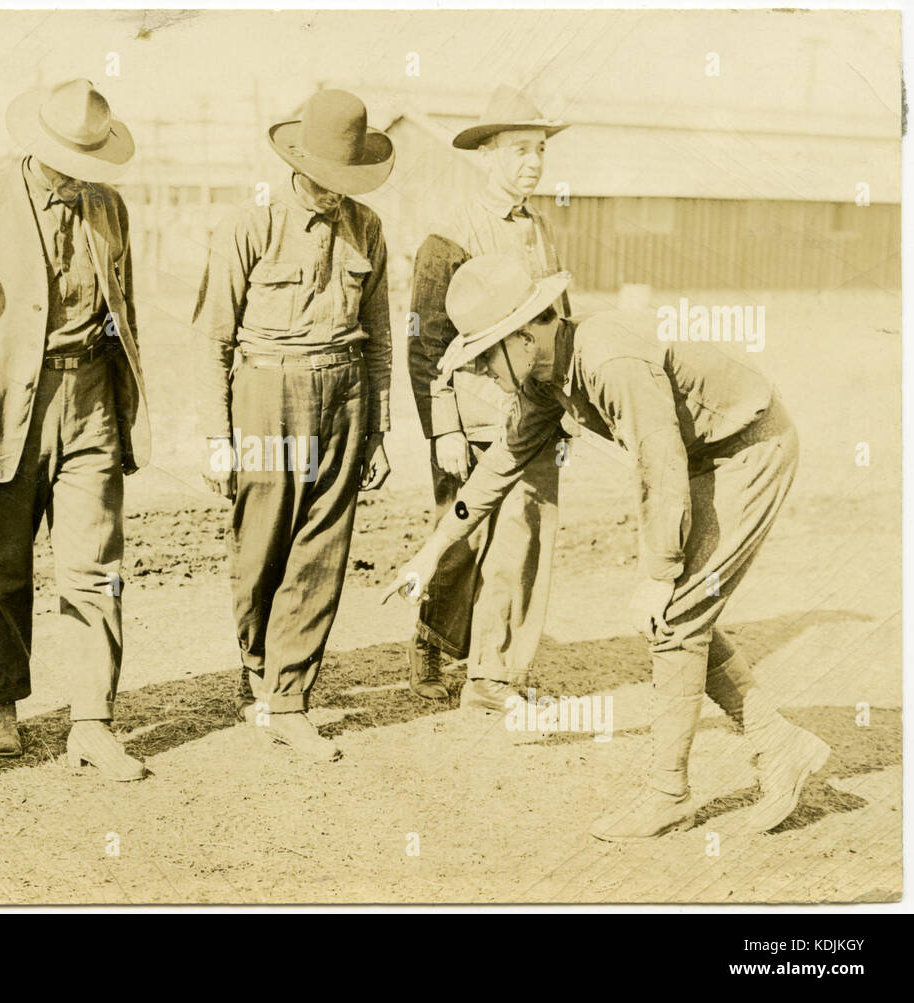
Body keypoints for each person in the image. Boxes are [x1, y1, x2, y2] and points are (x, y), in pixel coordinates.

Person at [382, 253, 831, 839]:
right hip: (699, 461)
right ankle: (778, 742)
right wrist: (430, 551)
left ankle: (667, 792)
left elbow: (658, 458)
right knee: (679, 617)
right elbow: (497, 469)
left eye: (486, 357)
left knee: (673, 615)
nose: (486, 375)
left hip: (749, 449)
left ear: (522, 337)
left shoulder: (607, 355)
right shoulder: (544, 378)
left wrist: (660, 569)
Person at [0, 79, 151, 781]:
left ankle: (92, 720)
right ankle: (0, 701)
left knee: (97, 568)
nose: (76, 173)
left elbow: (126, 312)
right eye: (64, 158)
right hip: (3, 411)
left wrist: (120, 409)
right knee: (2, 568)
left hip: (90, 403)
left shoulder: (109, 207)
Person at [194, 89, 394, 762]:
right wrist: (217, 436)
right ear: (298, 161)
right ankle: (257, 662)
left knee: (322, 549)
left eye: (349, 181)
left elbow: (382, 335)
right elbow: (212, 338)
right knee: (260, 547)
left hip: (345, 390)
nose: (336, 193)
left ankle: (288, 698)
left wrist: (379, 428)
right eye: (327, 178)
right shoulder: (250, 223)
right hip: (265, 390)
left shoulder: (367, 227)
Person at [405, 85, 571, 708]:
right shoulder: (450, 234)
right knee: (464, 534)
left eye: (540, 150)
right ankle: (430, 639)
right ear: (488, 155)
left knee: (521, 539)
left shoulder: (543, 230)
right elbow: (425, 339)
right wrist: (441, 428)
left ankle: (491, 675)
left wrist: (567, 406)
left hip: (534, 413)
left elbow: (558, 320)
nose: (533, 162)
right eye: (520, 150)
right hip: (471, 416)